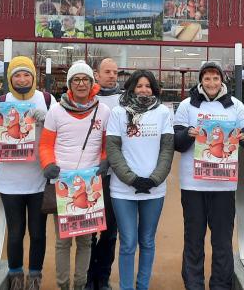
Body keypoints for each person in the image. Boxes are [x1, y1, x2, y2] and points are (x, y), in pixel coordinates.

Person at [173, 61, 244, 290]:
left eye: (215, 78)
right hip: (193, 185)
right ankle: (194, 285)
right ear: (201, 80)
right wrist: (188, 134)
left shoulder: (235, 105)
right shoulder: (186, 105)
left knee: (222, 241)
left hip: (224, 185)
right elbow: (175, 140)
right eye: (207, 78)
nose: (211, 82)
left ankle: (221, 285)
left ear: (222, 80)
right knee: (193, 240)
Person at [0, 56, 51, 290]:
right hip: (10, 182)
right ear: (10, 78)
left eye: (26, 74)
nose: (22, 79)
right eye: (17, 74)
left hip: (39, 180)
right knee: (15, 233)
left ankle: (35, 277)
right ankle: (15, 276)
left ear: (34, 77)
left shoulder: (47, 99)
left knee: (37, 233)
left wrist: (47, 120)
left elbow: (60, 134)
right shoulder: (0, 101)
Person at [39, 60, 112, 290]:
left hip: (90, 186)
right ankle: (63, 285)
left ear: (92, 82)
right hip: (63, 185)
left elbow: (106, 144)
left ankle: (80, 284)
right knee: (62, 243)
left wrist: (104, 159)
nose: (81, 84)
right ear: (70, 84)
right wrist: (48, 163)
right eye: (76, 80)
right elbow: (45, 145)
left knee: (86, 242)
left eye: (85, 79)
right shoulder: (56, 111)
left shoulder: (104, 110)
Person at [105, 70, 174, 290]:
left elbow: (167, 150)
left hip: (154, 189)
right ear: (131, 88)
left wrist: (154, 179)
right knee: (127, 243)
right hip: (123, 189)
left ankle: (142, 285)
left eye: (148, 86)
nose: (144, 90)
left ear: (154, 89)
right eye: (139, 86)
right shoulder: (118, 112)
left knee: (147, 241)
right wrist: (131, 179)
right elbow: (113, 150)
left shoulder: (163, 112)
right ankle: (126, 287)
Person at [87, 58, 123, 290]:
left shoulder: (124, 101)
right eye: (107, 71)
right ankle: (89, 277)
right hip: (89, 175)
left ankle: (103, 277)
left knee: (110, 232)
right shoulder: (86, 99)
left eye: (115, 72)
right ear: (96, 75)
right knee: (88, 232)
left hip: (115, 176)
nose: (111, 75)